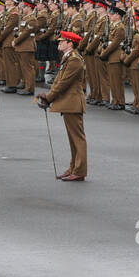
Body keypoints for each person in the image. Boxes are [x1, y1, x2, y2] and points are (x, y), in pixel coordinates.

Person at [39, 31, 88, 181]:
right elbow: (59, 82)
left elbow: (63, 83)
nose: (59, 43)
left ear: (70, 44)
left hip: (73, 102)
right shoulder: (69, 58)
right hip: (69, 102)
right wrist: (48, 97)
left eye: (62, 41)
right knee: (73, 139)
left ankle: (79, 170)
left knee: (77, 139)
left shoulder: (74, 60)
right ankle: (73, 167)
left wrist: (49, 97)